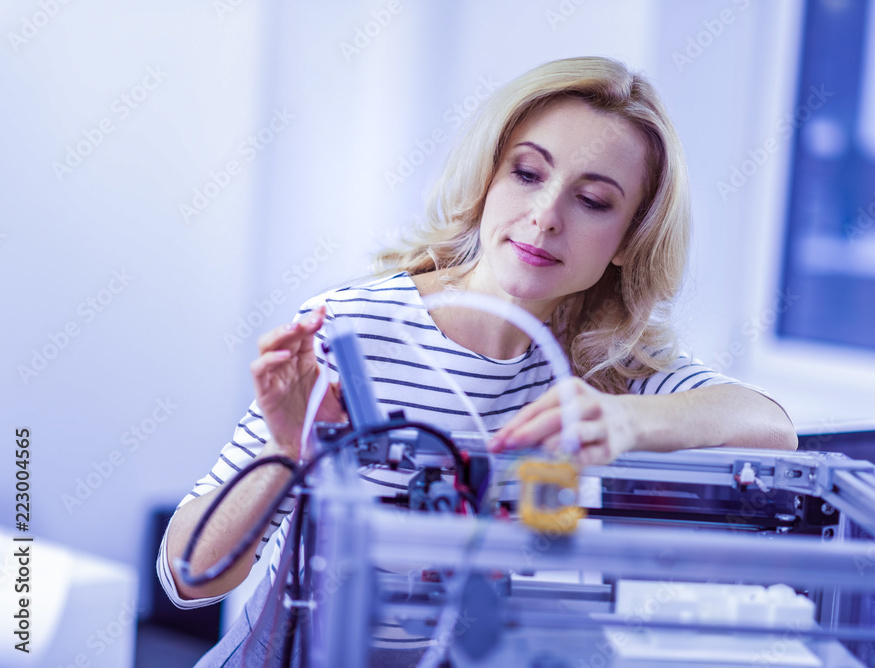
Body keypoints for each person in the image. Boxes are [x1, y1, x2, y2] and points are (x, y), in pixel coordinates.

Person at [157, 55, 797, 665]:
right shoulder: (352, 329)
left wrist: (630, 419)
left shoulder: (605, 364)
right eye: (527, 173)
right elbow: (187, 578)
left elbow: (772, 428)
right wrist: (286, 450)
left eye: (594, 200)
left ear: (630, 239)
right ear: (486, 180)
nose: (545, 217)